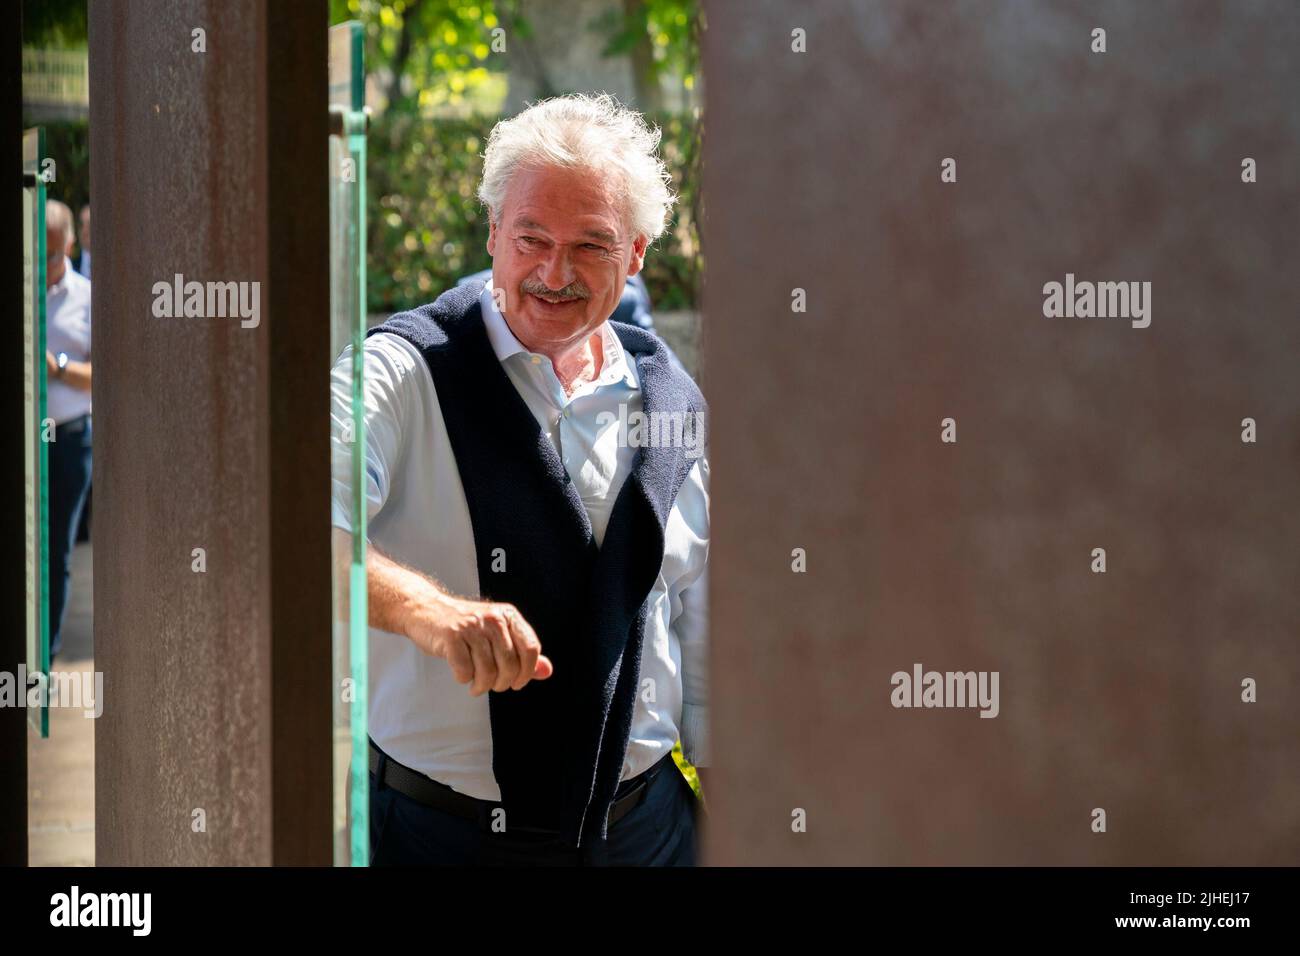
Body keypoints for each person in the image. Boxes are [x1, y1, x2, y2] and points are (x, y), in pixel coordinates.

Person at [330, 93, 710, 866]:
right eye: (531, 238)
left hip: (645, 834)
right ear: (494, 233)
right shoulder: (399, 374)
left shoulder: (670, 399)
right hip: (443, 840)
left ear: (637, 253)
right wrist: (432, 614)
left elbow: (702, 617)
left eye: (592, 245)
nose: (554, 272)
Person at [44, 199, 94, 661]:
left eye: (54, 256)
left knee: (57, 548)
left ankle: (47, 657)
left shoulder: (88, 297)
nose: (46, 267)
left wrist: (55, 367)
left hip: (70, 437)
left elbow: (102, 376)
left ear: (71, 247)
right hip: (27, 438)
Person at [73, 204, 91, 278]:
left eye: (90, 225)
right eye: (81, 225)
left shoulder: (110, 264)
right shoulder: (71, 264)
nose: (84, 231)